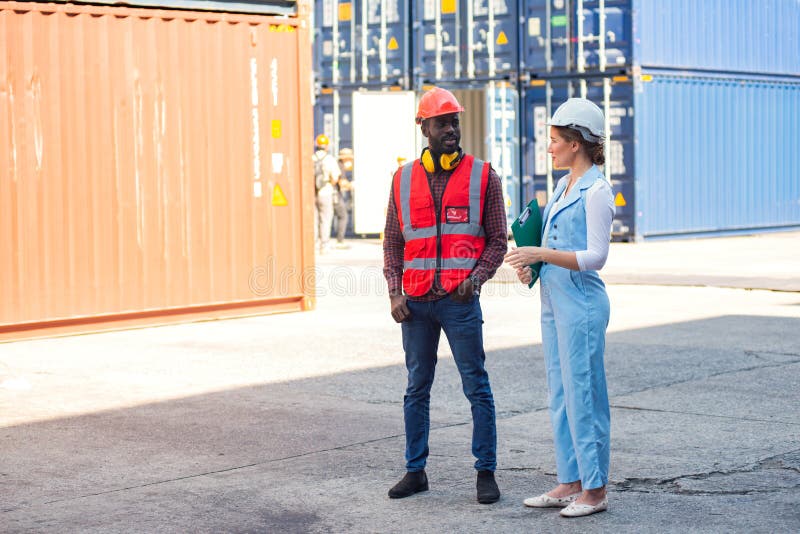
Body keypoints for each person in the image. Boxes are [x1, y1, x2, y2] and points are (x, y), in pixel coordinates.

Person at [383, 87, 508, 504]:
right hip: (415, 304)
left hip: (460, 303)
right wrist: (393, 292)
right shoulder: (402, 179)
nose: (452, 129)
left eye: (455, 121)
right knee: (417, 387)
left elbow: (496, 240)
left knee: (476, 386)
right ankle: (415, 471)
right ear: (424, 128)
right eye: (443, 123)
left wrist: (477, 278)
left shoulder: (483, 176)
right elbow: (392, 243)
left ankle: (485, 472)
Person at [505, 98, 614, 518]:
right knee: (561, 393)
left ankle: (596, 489)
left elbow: (595, 257)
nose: (548, 148)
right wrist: (531, 265)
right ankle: (570, 480)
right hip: (554, 300)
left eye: (554, 141)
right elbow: (546, 245)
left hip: (583, 304)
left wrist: (543, 254)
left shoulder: (597, 191)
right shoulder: (562, 185)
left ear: (575, 142)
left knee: (584, 395)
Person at [313, 134, 341, 254]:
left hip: (312, 193)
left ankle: (314, 245)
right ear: (326, 146)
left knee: (314, 220)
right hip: (325, 192)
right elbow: (335, 178)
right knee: (325, 219)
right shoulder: (329, 159)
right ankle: (324, 246)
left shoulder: (310, 158)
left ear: (316, 145)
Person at [333, 148, 354, 248]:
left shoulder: (340, 165)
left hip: (335, 194)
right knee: (343, 216)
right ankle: (340, 241)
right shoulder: (340, 166)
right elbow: (342, 183)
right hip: (335, 194)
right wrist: (352, 185)